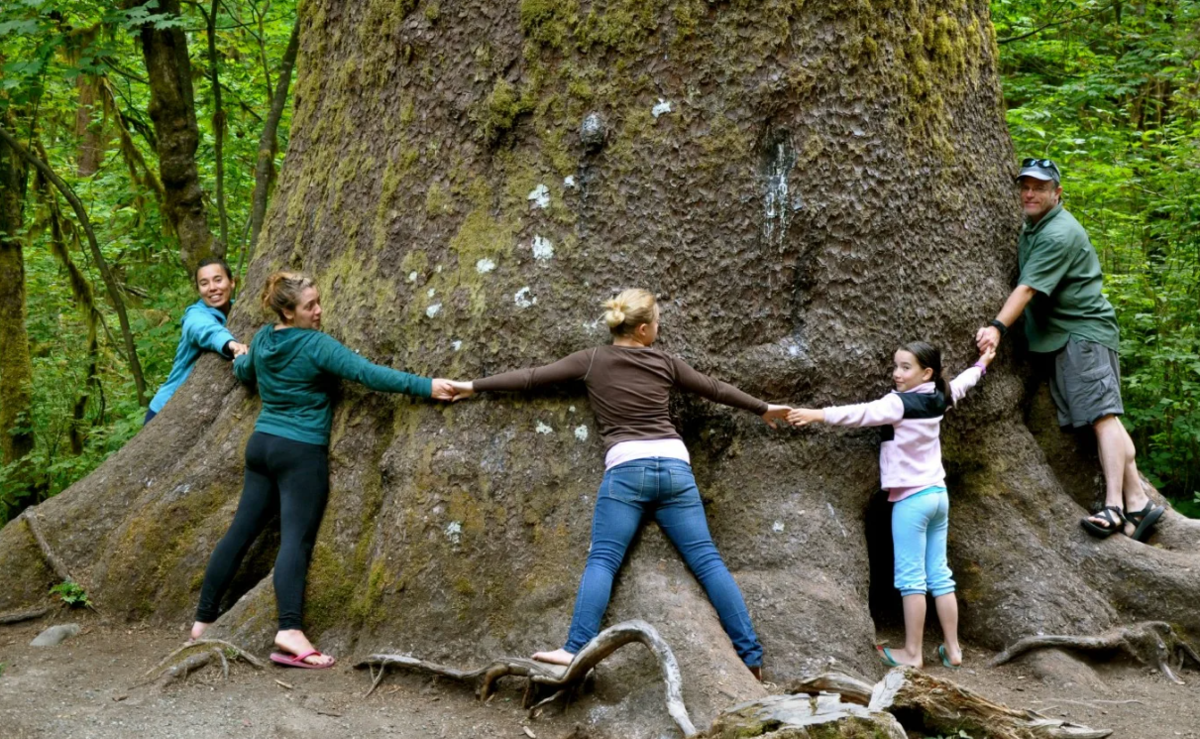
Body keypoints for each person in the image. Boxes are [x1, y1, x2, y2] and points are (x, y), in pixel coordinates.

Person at [445, 289, 791, 680]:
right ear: (643, 330)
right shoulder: (665, 362)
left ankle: (575, 648)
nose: (659, 328)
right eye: (657, 322)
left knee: (604, 560)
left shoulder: (592, 359)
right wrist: (764, 408)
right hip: (675, 466)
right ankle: (751, 658)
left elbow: (532, 378)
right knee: (708, 561)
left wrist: (472, 385)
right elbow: (714, 388)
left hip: (627, 468)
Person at [189, 272, 455, 668]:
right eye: (309, 305)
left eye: (317, 302)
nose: (318, 311)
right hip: (299, 451)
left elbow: (245, 372)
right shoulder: (316, 345)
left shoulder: (263, 339)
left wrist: (242, 357)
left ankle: (203, 621)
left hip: (262, 446)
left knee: (240, 532)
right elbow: (368, 373)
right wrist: (426, 386)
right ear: (288, 312)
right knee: (295, 541)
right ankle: (289, 630)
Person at [975, 158, 1164, 541]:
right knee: (1104, 417)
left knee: (1102, 417)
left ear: (1057, 193)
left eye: (1040, 188)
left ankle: (1113, 506)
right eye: (1026, 187)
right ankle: (1138, 501)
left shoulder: (1058, 233)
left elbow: (1027, 289)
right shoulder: (1035, 226)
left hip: (1083, 335)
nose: (1030, 194)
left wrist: (997, 327)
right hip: (1067, 336)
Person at [788, 341, 994, 668]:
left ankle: (912, 653)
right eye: (896, 366)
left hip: (912, 500)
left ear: (926, 372)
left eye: (906, 367)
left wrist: (816, 414)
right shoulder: (940, 395)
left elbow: (860, 413)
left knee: (912, 579)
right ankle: (953, 649)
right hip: (937, 495)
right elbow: (963, 383)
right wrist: (982, 363)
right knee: (940, 574)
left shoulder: (898, 403)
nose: (897, 374)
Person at [145, 258, 248, 424]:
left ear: (232, 282)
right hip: (166, 409)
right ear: (199, 290)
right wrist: (230, 344)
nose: (212, 288)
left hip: (204, 412)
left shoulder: (242, 309)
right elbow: (203, 329)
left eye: (218, 280)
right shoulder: (195, 315)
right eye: (204, 283)